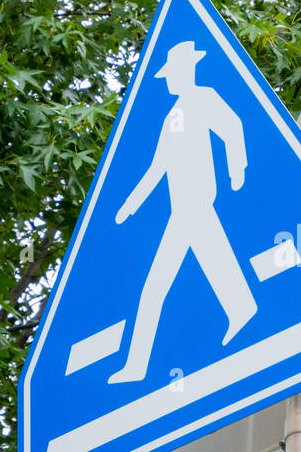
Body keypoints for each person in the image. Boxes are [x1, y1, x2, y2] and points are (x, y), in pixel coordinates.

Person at [108, 40, 258, 384]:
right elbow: (157, 166)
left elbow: (233, 126)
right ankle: (242, 309)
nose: (168, 81)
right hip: (183, 210)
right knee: (205, 267)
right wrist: (129, 206)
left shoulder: (203, 97)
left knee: (155, 286)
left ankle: (136, 366)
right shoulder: (171, 116)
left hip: (197, 203)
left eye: (171, 74)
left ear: (185, 70)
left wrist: (238, 168)